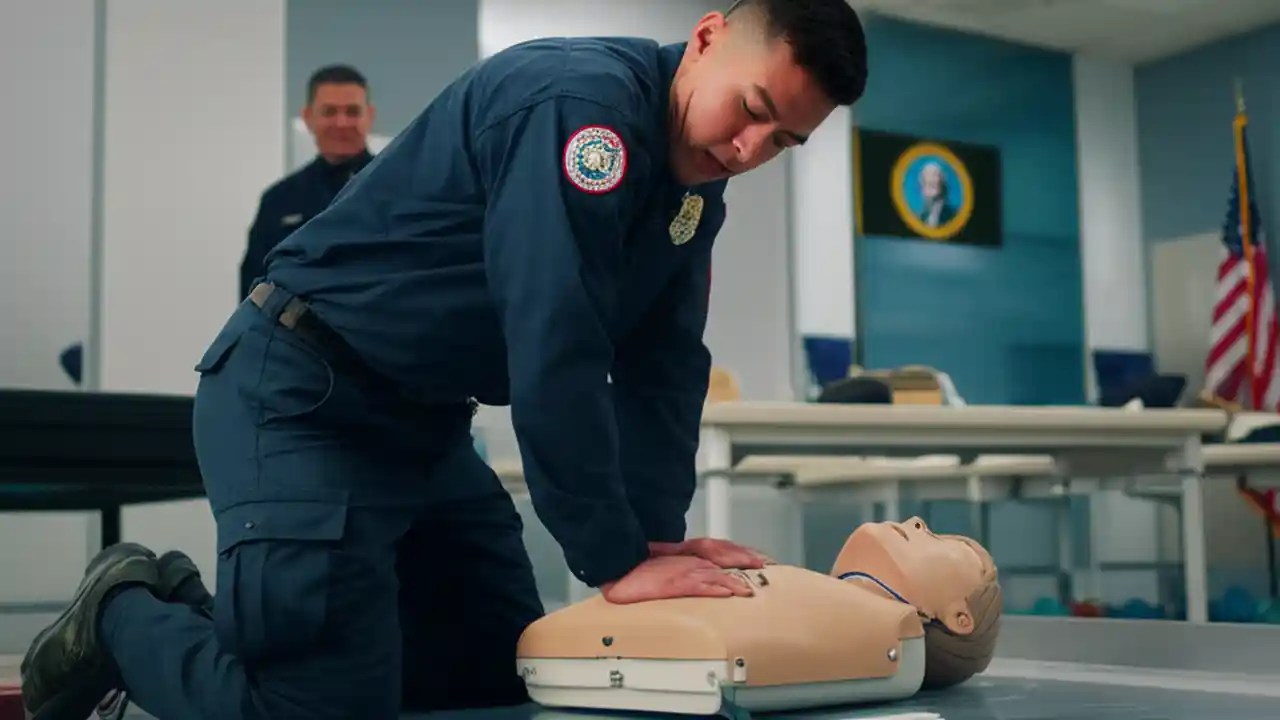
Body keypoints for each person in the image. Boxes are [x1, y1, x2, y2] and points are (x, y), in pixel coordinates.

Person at [19, 1, 868, 718]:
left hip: (423, 424)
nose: (749, 148)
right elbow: (557, 340)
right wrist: (612, 560)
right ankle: (120, 614)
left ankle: (217, 617)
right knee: (315, 707)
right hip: (304, 397)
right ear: (708, 37)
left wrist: (654, 539)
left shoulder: (693, 189)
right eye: (751, 108)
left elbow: (665, 365)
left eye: (784, 141)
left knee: (497, 673)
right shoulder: (583, 112)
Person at [516, 516, 1002, 715]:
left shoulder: (886, 627)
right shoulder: (807, 594)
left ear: (958, 617)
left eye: (945, 541)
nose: (918, 522)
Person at [239, 64, 376, 298]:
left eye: (352, 112)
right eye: (329, 112)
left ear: (369, 116)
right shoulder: (279, 201)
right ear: (308, 117)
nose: (341, 123)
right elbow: (253, 293)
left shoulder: (400, 189)